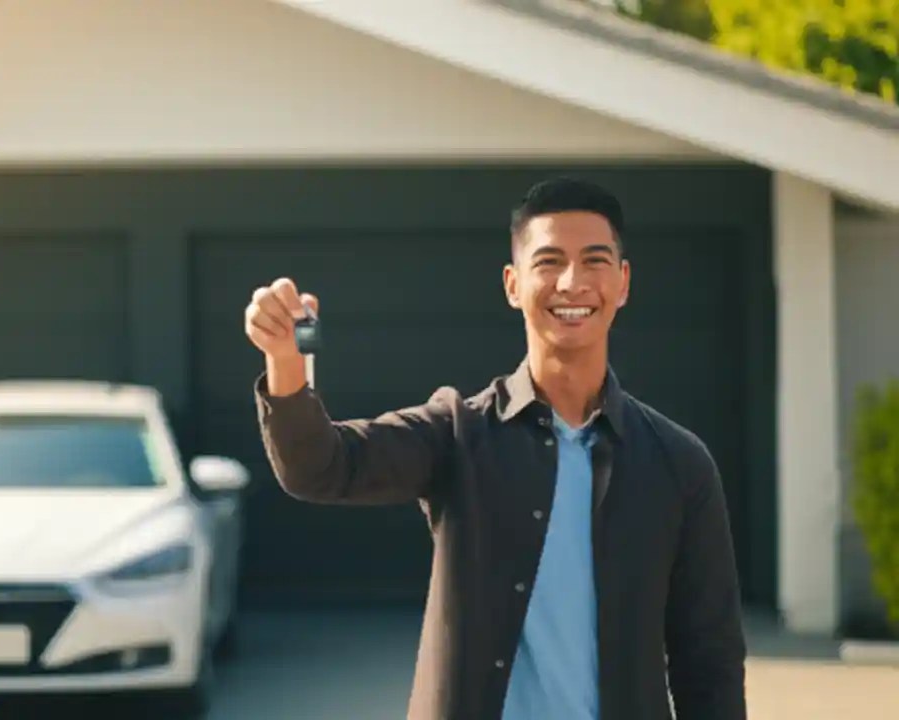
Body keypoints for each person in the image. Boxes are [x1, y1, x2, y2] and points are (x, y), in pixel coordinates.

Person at [243, 177, 747, 720]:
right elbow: (320, 467)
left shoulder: (679, 464)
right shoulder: (458, 434)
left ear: (622, 283)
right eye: (549, 261)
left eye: (594, 261)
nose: (572, 282)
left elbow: (709, 663)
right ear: (513, 284)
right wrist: (286, 363)